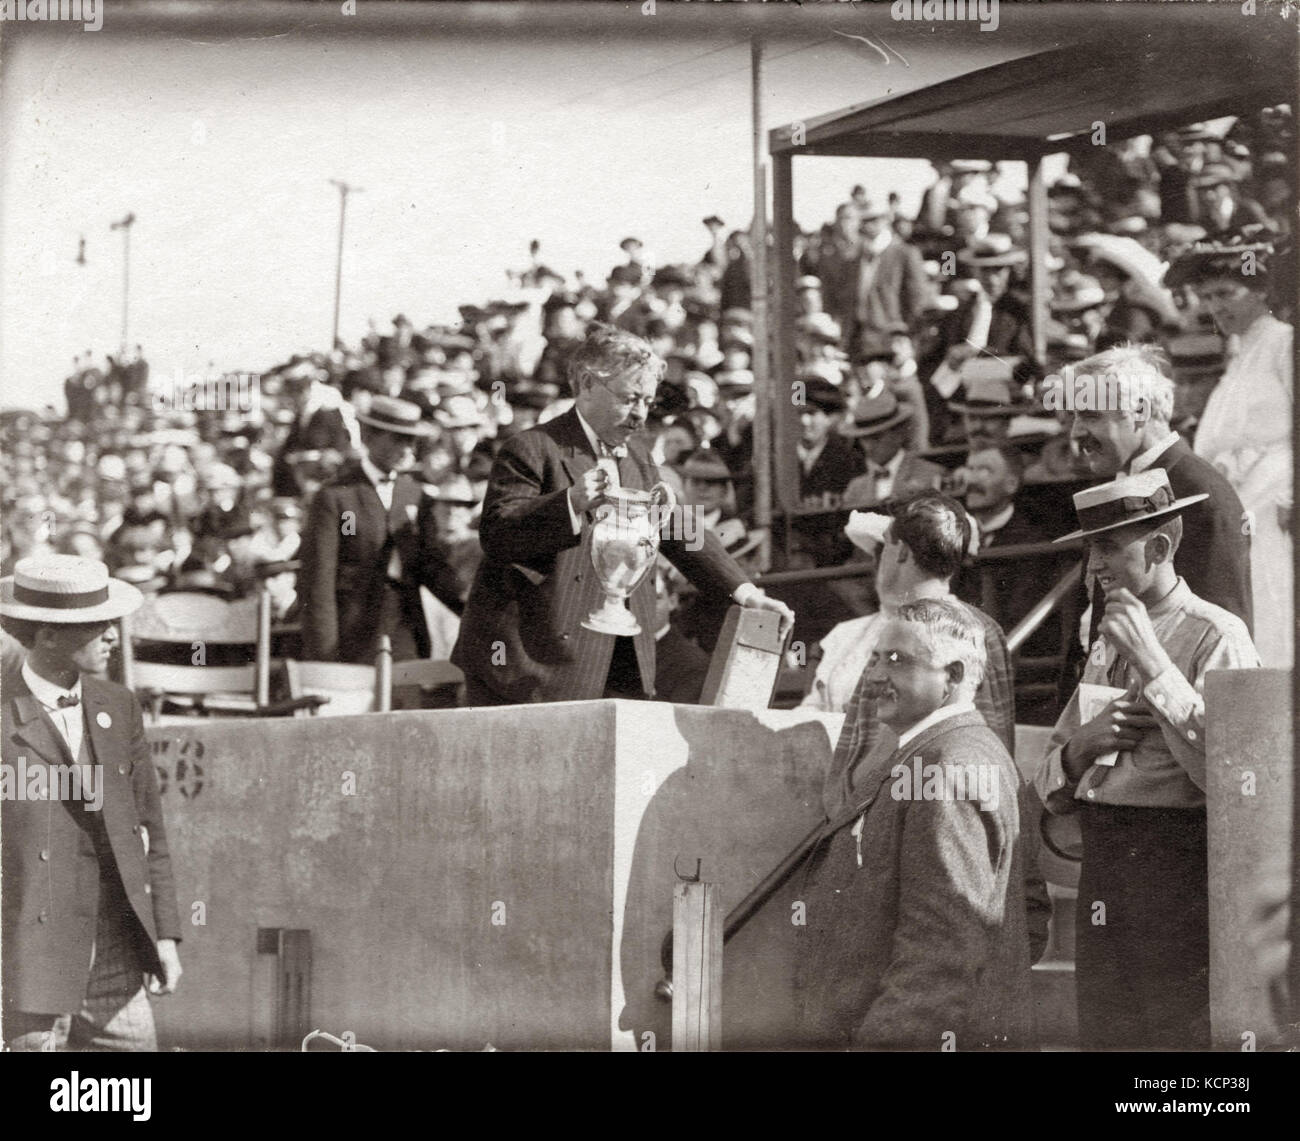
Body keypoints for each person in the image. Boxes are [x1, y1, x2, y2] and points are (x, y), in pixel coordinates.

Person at [1034, 470, 1259, 1049]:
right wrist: (1083, 747)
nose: (1094, 566)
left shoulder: (1216, 633)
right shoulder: (1105, 635)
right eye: (1090, 550)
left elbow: (1237, 780)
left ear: (1161, 546)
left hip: (1176, 861)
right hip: (1107, 858)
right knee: (1106, 1031)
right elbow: (1049, 776)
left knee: (1171, 1040)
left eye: (1109, 546)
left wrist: (1156, 667)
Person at [451, 324, 793, 705]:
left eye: (647, 402)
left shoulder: (640, 460)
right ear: (585, 384)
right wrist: (569, 502)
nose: (640, 417)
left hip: (615, 664)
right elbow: (498, 535)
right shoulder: (529, 448)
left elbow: (683, 531)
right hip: (527, 669)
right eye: (630, 399)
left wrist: (747, 594)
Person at [794, 597, 1036, 1050]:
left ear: (955, 675)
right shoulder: (950, 752)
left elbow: (941, 955)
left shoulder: (945, 766)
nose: (876, 675)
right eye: (876, 658)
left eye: (898, 660)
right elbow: (1029, 911)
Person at [1, 555, 182, 1051]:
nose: (110, 634)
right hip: (28, 953)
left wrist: (164, 935)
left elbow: (148, 829)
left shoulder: (118, 706)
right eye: (92, 624)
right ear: (46, 637)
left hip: (115, 949)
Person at [1066, 342, 1254, 647]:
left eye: (1090, 416)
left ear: (1140, 410)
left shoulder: (1201, 494)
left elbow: (1222, 645)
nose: (1075, 433)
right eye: (1074, 417)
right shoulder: (1123, 482)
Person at [1172, 243, 1292, 668]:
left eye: (1226, 294)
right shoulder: (1240, 355)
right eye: (1207, 297)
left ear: (1259, 291)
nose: (1214, 307)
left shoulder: (1284, 342)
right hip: (1240, 497)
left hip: (1275, 493)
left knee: (1274, 602)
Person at [298, 395, 465, 664]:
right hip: (352, 629)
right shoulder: (336, 496)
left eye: (411, 440)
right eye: (397, 438)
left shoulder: (415, 495)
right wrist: (324, 654)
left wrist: (471, 604)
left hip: (405, 628)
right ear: (369, 436)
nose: (406, 449)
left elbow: (432, 568)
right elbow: (318, 581)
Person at [839, 391, 944, 511]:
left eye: (876, 437)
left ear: (899, 433)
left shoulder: (930, 475)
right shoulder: (855, 489)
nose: (869, 446)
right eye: (864, 439)